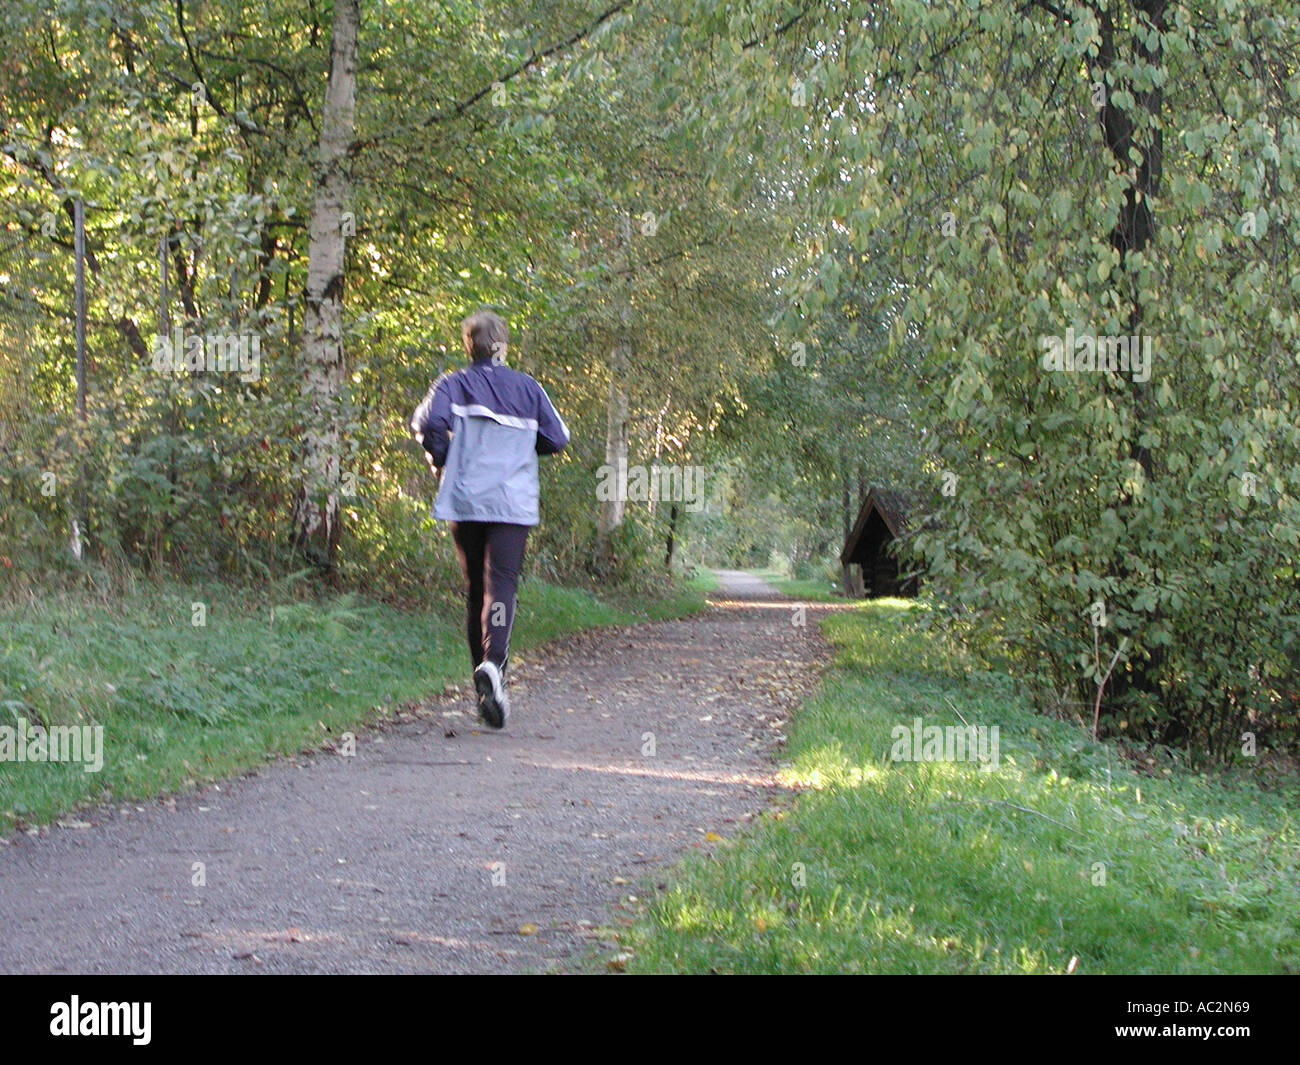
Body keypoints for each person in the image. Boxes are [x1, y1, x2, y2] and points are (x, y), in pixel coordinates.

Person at [410, 310, 569, 728]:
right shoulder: (529, 389)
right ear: (503, 346)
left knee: (475, 591)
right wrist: (517, 446)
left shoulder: (451, 384)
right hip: (511, 503)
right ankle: (494, 666)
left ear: (469, 345)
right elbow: (556, 438)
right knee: (502, 584)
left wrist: (443, 459)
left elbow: (427, 422)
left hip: (465, 499)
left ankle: (482, 683)